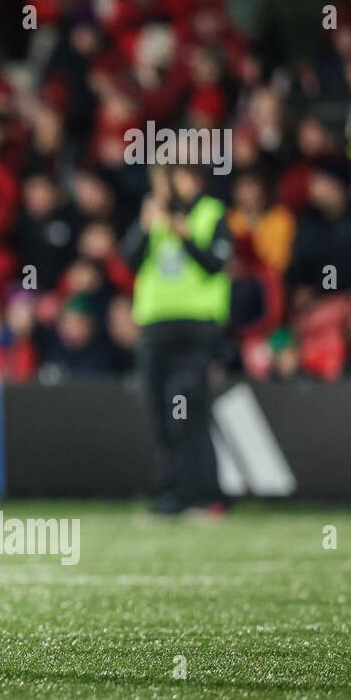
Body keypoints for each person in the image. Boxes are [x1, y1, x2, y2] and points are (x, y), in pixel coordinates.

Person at [121, 160, 234, 516]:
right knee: (159, 413)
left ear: (195, 179)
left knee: (187, 410)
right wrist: (144, 226)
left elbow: (215, 264)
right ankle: (173, 495)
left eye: (176, 177)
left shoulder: (211, 214)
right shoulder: (154, 214)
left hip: (195, 329)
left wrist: (185, 236)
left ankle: (207, 494)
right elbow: (128, 261)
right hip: (155, 328)